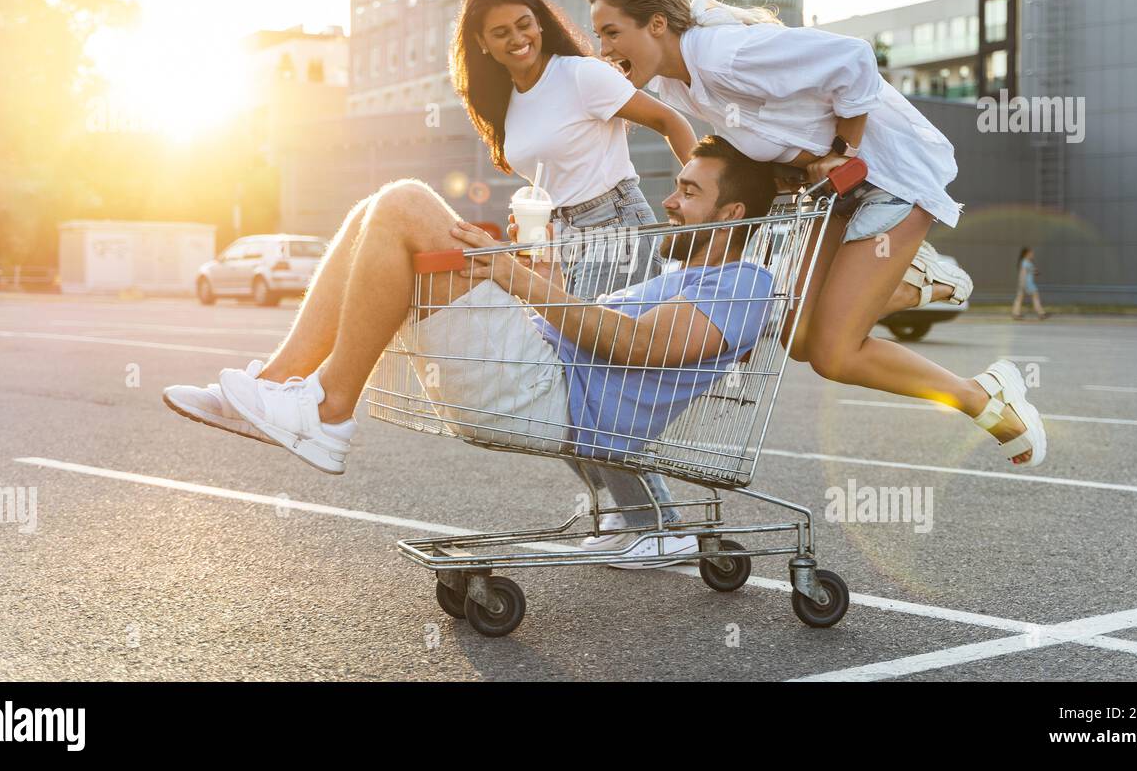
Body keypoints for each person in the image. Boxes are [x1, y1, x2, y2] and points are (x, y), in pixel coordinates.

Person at [163, 136, 778, 566]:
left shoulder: (745, 285)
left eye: (689, 192)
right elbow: (586, 329)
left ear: (731, 214)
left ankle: (326, 413)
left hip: (546, 397)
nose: (670, 201)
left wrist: (514, 278)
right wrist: (539, 266)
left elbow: (642, 346)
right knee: (371, 216)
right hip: (537, 375)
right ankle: (278, 383)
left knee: (405, 203)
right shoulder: (679, 276)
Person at [588, 0, 1046, 468]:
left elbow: (853, 59)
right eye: (598, 36)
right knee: (798, 333)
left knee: (833, 353)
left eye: (611, 32)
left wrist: (841, 152)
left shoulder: (722, 54)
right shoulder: (676, 83)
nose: (604, 49)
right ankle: (911, 280)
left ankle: (983, 397)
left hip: (890, 178)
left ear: (655, 23)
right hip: (831, 194)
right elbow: (769, 132)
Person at [449, 0, 699, 548]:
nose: (518, 38)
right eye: (500, 33)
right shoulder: (507, 101)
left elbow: (671, 120)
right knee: (556, 381)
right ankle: (621, 511)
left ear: (541, 20)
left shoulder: (581, 74)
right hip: (561, 240)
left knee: (593, 381)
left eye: (524, 23)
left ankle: (657, 526)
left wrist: (700, 204)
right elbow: (548, 175)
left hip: (615, 228)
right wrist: (534, 220)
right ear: (482, 45)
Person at [1012, 247, 1049, 320]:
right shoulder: (1025, 262)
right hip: (1028, 284)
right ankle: (1041, 313)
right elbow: (1023, 274)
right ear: (1026, 254)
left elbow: (1031, 271)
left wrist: (1036, 272)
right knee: (1035, 298)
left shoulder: (1027, 262)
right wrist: (1023, 284)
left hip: (1024, 284)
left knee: (1019, 299)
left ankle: (1016, 313)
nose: (1032, 254)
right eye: (1031, 253)